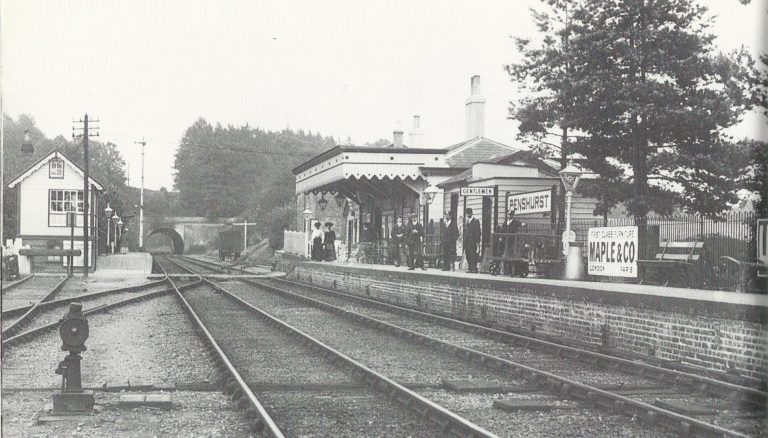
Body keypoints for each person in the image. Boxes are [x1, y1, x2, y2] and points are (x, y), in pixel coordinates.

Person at [464, 208, 481, 273]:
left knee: (473, 255)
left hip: (473, 241)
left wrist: (477, 242)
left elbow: (478, 232)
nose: (468, 215)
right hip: (467, 242)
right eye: (467, 213)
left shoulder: (475, 221)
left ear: (472, 213)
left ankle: (474, 268)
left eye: (469, 213)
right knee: (467, 254)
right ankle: (470, 267)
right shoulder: (467, 222)